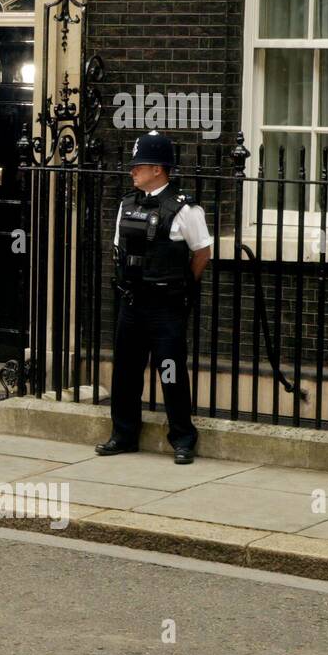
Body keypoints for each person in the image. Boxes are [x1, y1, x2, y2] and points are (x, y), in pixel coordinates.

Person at [96, 131, 212, 465]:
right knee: (126, 373)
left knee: (171, 372)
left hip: (166, 306)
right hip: (132, 302)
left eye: (139, 165)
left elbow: (202, 252)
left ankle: (183, 438)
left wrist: (181, 284)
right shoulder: (127, 203)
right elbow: (118, 249)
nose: (132, 171)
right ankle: (123, 434)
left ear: (159, 169)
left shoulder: (185, 209)